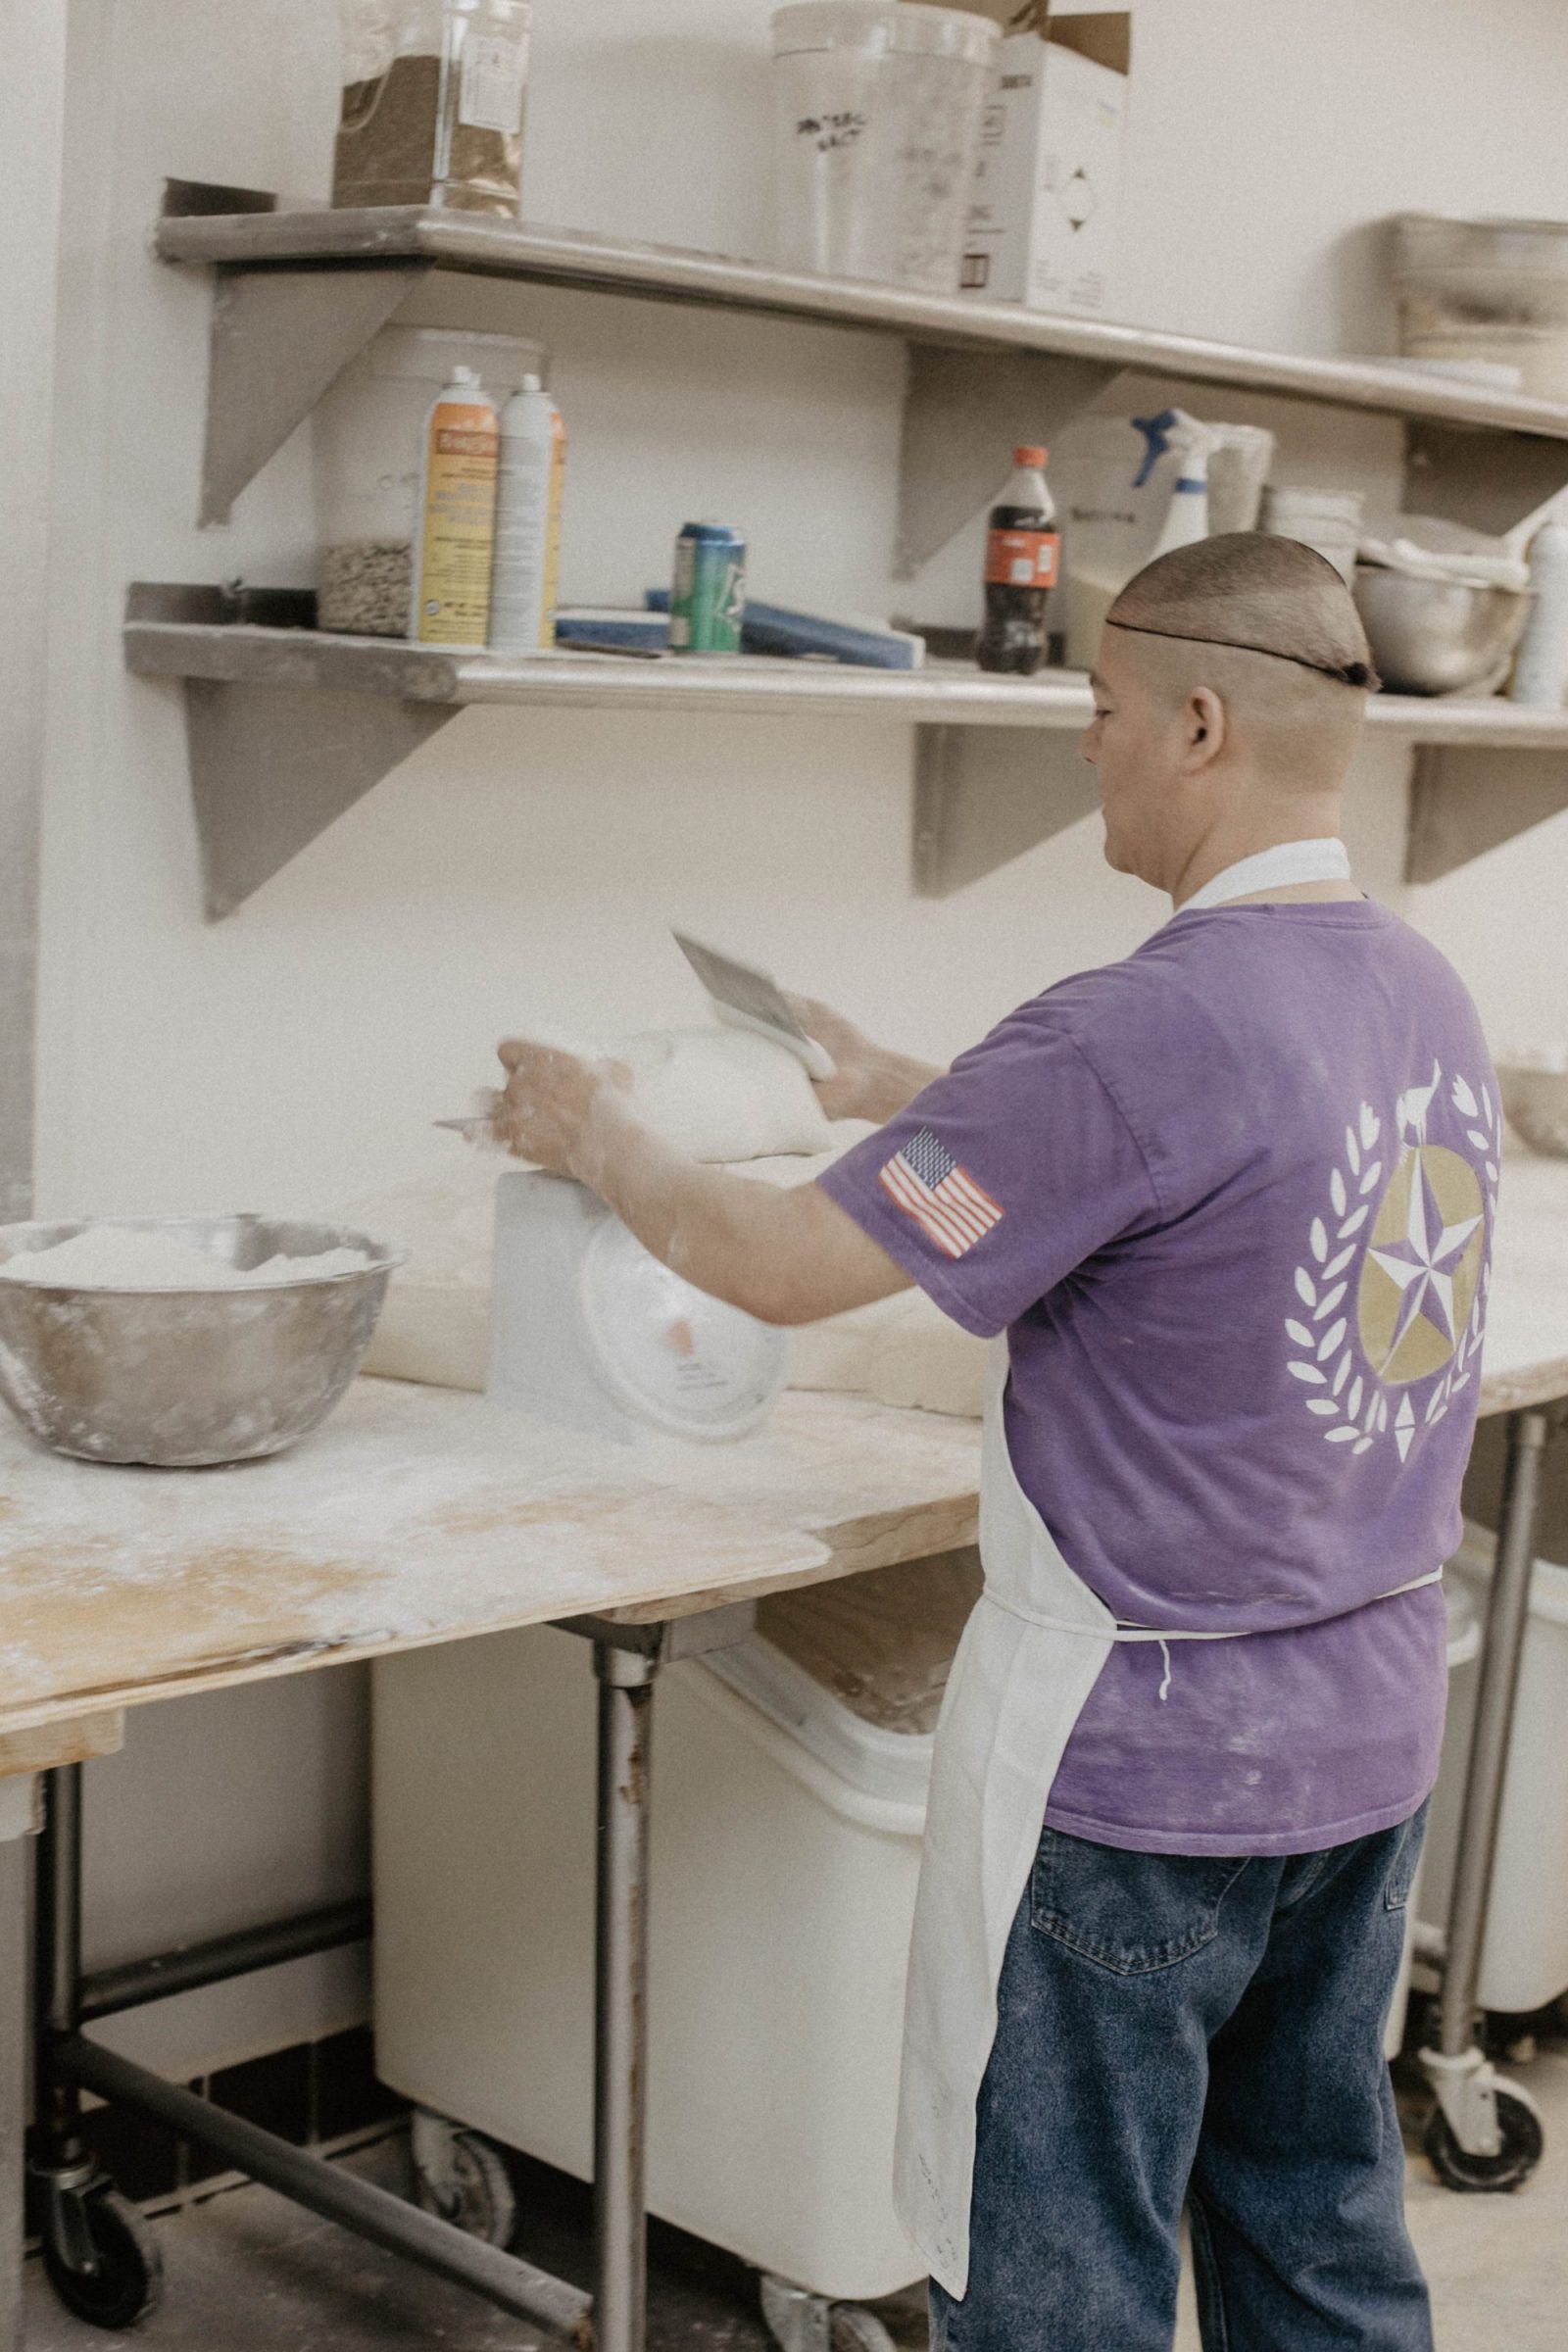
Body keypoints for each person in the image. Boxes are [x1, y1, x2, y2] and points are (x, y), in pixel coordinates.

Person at [487, 535, 1494, 2352]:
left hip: (1143, 1787)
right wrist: (906, 1094)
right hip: (1361, 1747)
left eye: (1100, 714)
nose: (1084, 749)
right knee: (1316, 2227)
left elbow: (781, 1266)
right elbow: (1198, 1162)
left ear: (1198, 722)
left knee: (1054, 2287)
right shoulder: (1413, 990)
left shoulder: (1127, 1031)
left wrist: (599, 1134)